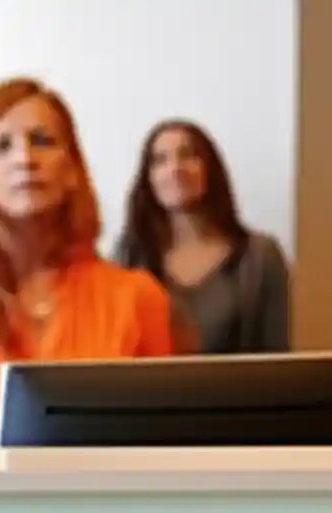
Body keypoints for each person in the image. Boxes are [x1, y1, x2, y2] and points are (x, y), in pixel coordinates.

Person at [0, 78, 174, 447]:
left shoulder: (136, 296)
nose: (24, 159)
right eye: (0, 147)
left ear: (72, 169)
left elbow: (158, 445)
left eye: (43, 141)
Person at [113, 119, 290, 353]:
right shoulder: (128, 257)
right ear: (148, 179)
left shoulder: (260, 256)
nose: (175, 168)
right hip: (148, 391)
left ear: (210, 169)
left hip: (239, 390)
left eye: (188, 155)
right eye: (159, 160)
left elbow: (277, 362)